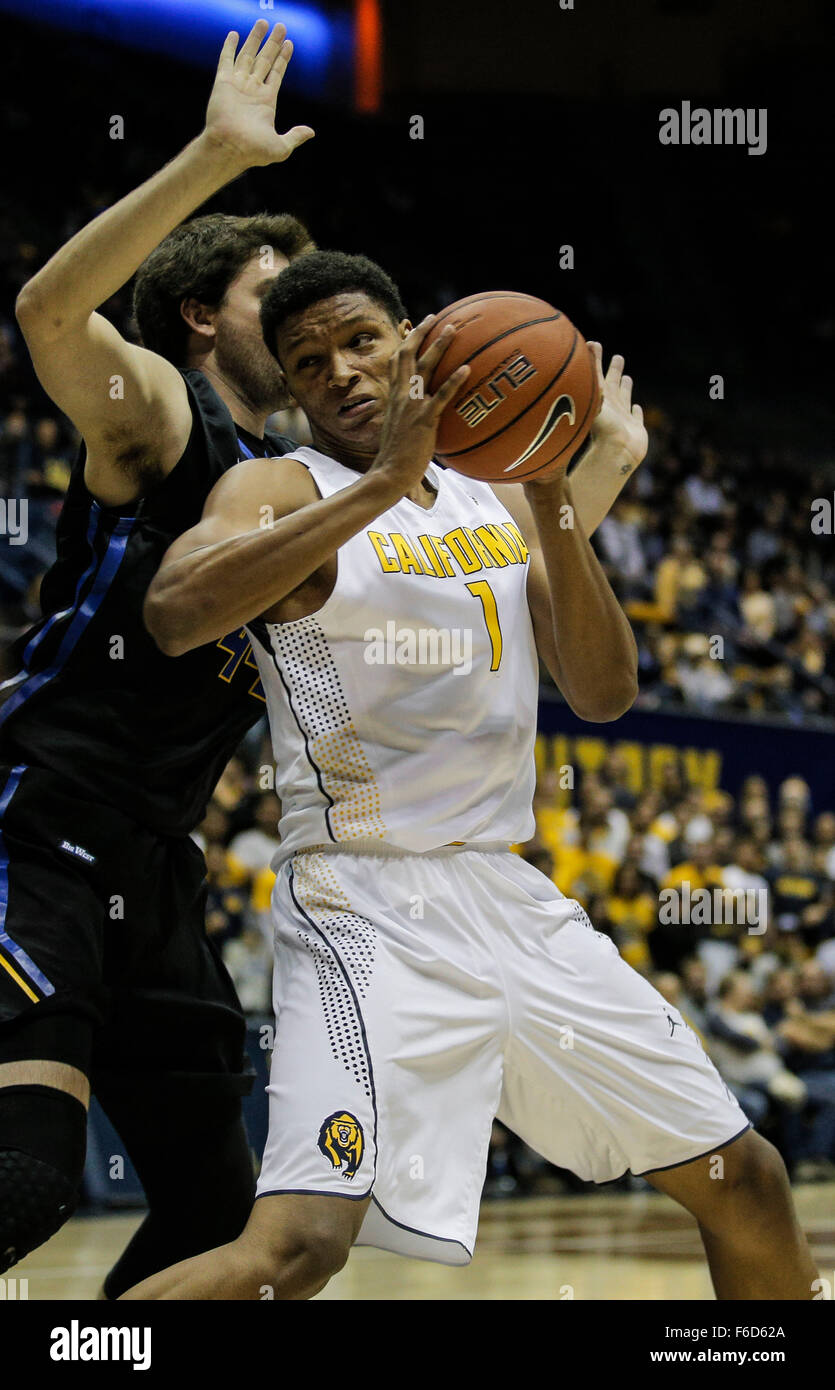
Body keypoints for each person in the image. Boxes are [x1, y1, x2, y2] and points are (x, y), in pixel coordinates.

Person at [127, 251, 817, 1299]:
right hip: (361, 898)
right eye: (308, 362)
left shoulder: (497, 496)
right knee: (297, 1250)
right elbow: (175, 612)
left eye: (361, 340)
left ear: (417, 342)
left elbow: (601, 691)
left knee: (747, 1178)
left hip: (508, 895)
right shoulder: (277, 486)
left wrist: (552, 495)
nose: (342, 372)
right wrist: (385, 487)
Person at [0, 20, 317, 1296]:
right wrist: (213, 159)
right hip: (38, 824)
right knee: (23, 1179)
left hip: (155, 869)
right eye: (274, 297)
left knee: (218, 1228)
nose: (305, 323)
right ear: (200, 317)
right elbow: (45, 309)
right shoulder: (169, 415)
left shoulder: (307, 493)